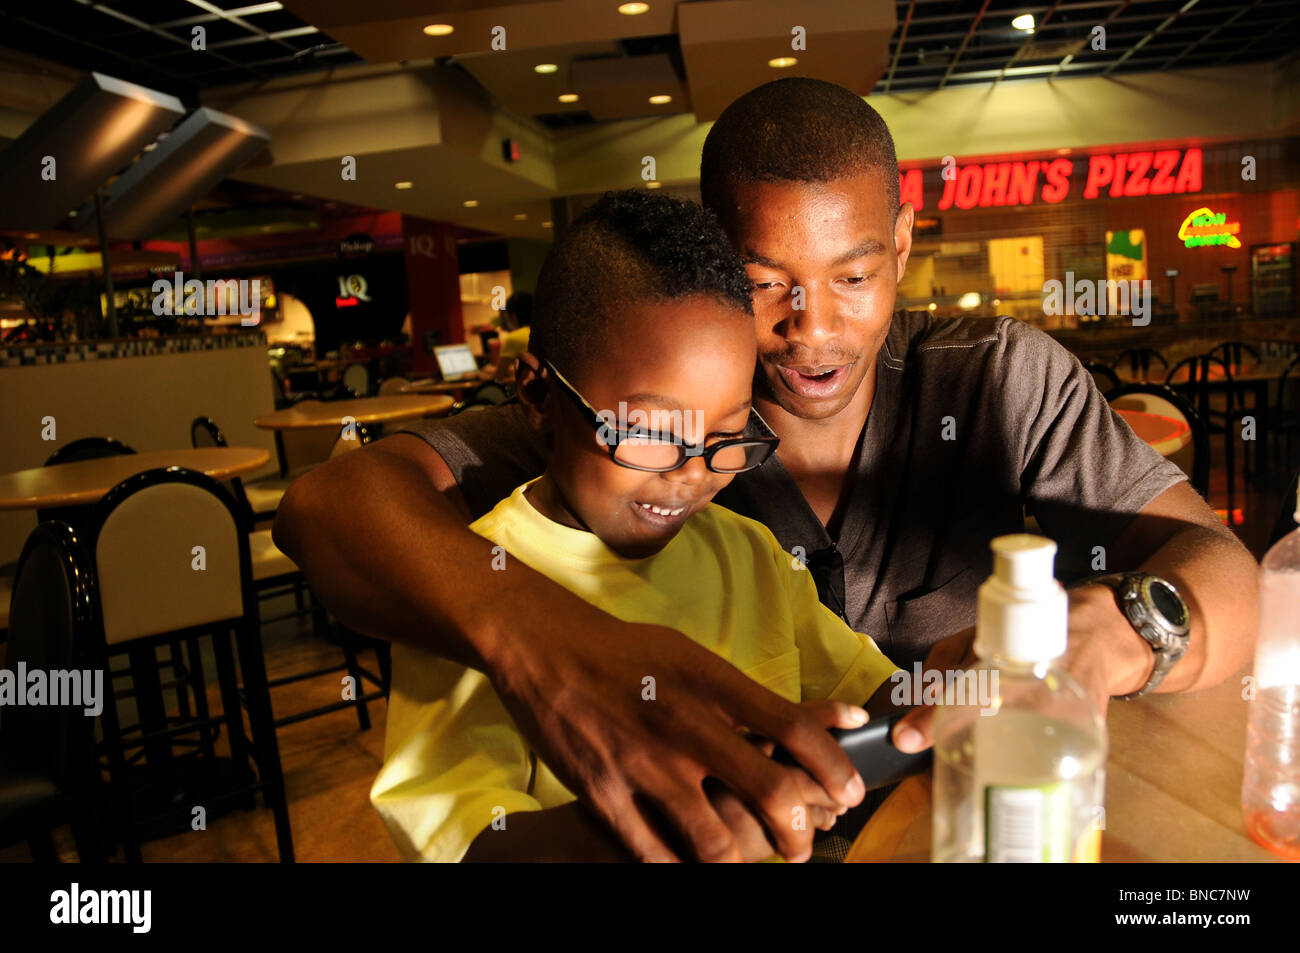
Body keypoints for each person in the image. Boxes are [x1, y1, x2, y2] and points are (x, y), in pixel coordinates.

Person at [274, 78, 1259, 863]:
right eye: (763, 283)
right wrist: (546, 645)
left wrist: (1109, 635)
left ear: (903, 250)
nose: (813, 326)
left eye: (854, 276)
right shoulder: (621, 399)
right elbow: (329, 505)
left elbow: (1223, 572)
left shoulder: (998, 380)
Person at [370, 192, 901, 862]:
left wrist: (956, 687)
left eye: (727, 437)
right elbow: (471, 844)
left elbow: (870, 695)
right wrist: (692, 819)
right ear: (539, 397)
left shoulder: (748, 553)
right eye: (650, 432)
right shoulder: (464, 588)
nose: (691, 474)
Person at [478, 291, 532, 383]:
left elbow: (497, 378)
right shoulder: (540, 333)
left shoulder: (513, 338)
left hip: (526, 394)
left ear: (513, 316)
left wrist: (478, 375)